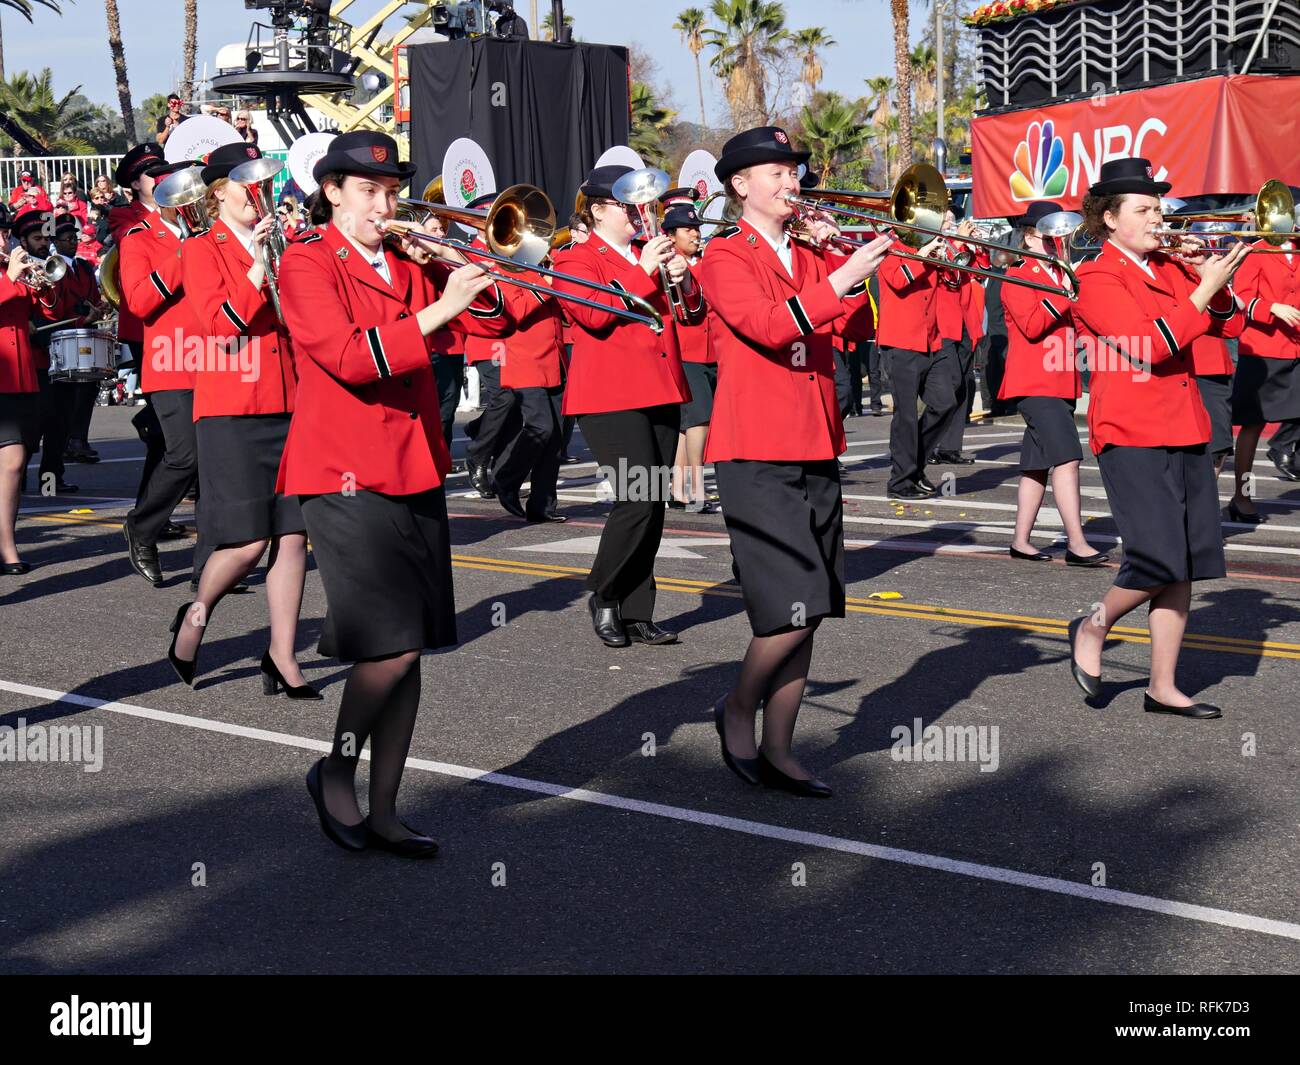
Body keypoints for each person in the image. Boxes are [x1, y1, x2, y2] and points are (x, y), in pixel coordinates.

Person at [277, 131, 511, 857]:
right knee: (386, 649)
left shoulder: (410, 259)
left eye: (391, 190)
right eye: (369, 190)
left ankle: (385, 806)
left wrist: (472, 269)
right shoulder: (306, 261)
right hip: (341, 471)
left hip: (414, 464)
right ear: (333, 193)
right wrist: (439, 307)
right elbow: (350, 358)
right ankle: (337, 770)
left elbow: (490, 326)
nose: (385, 203)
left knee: (410, 651)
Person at [697, 126, 887, 796]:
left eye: (793, 171)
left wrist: (839, 257)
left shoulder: (812, 254)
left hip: (815, 441)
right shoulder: (723, 257)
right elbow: (772, 326)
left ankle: (779, 745)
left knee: (816, 604)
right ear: (740, 185)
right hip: (754, 446)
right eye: (774, 173)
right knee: (792, 602)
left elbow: (858, 329)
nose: (791, 183)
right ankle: (738, 706)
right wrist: (838, 273)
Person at [1068, 157, 1246, 720]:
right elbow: (1147, 346)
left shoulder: (1168, 267)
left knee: (1187, 561)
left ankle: (1162, 685)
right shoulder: (1097, 276)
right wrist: (1200, 294)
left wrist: (1210, 279)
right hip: (1132, 431)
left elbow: (1231, 324)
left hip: (1186, 424)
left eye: (1158, 207)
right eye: (1144, 209)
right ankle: (1094, 624)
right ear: (1111, 219)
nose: (1157, 217)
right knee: (1156, 557)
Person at [168, 142, 315, 695]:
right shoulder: (201, 250)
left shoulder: (288, 242)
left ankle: (282, 657)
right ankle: (196, 613)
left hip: (292, 399)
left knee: (294, 536)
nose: (257, 193)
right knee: (247, 543)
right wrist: (257, 266)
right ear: (217, 194)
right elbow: (221, 327)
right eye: (244, 182)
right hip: (232, 407)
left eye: (262, 181)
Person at [552, 164, 691, 648]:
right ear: (596, 210)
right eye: (625, 204)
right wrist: (645, 271)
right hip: (611, 396)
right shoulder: (574, 259)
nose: (639, 212)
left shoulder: (644, 252)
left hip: (661, 387)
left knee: (652, 504)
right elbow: (593, 315)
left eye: (641, 204)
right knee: (637, 499)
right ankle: (604, 594)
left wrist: (684, 279)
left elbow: (689, 315)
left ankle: (637, 611)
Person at [996, 200, 1107, 566]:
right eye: (1048, 236)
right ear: (1028, 239)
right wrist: (1066, 292)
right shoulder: (1017, 274)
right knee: (1068, 458)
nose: (1057, 241)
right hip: (1034, 381)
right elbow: (1031, 324)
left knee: (1036, 464)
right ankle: (1076, 542)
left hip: (1061, 379)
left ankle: (1020, 540)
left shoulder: (1061, 275)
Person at [118, 160, 207, 587]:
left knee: (214, 461)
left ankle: (210, 563)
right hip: (171, 361)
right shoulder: (139, 238)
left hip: (220, 357)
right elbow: (139, 302)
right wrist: (184, 252)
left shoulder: (211, 234)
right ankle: (143, 527)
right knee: (185, 455)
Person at [878, 212, 954, 499]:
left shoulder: (930, 247)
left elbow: (955, 282)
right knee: (906, 416)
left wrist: (954, 254)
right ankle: (900, 481)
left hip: (932, 340)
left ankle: (915, 464)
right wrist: (923, 256)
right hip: (901, 341)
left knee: (945, 403)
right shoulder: (887, 246)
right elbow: (899, 280)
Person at [1226, 230, 1300, 521]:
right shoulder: (1254, 250)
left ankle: (1283, 448)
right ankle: (1242, 495)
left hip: (1295, 347)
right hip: (1262, 350)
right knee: (1252, 426)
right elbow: (1241, 299)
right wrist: (1273, 307)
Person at [14, 210, 78, 495]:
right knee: (32, 425)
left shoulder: (53, 269)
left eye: (44, 238)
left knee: (59, 422)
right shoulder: (14, 270)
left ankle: (51, 481)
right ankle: (16, 477)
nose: (43, 243)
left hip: (58, 356)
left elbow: (59, 309)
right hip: (32, 359)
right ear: (24, 242)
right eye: (36, 238)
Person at [662, 203, 715, 512]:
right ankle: (697, 489)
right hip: (685, 350)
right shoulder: (670, 264)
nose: (695, 234)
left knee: (686, 427)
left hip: (711, 349)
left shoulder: (704, 261)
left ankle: (677, 489)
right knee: (700, 420)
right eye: (687, 230)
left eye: (696, 229)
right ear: (671, 236)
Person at [0, 240, 46, 573]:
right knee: (12, 460)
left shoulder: (10, 270)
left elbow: (49, 311)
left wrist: (45, 287)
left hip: (18, 376)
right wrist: (10, 280)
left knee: (15, 462)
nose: (3, 242)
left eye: (4, 233)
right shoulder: (8, 275)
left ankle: (6, 545)